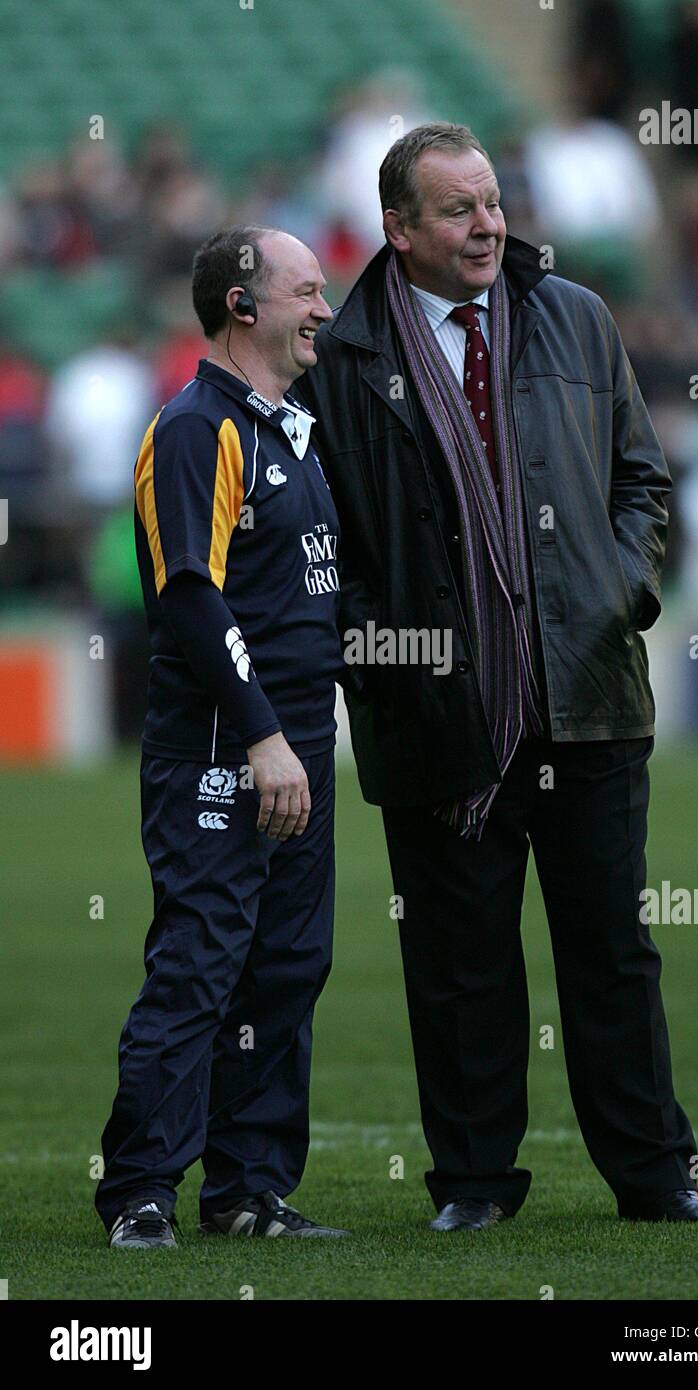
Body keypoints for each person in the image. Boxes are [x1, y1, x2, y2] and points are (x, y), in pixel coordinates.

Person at [293, 124, 698, 1231]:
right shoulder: (345, 358)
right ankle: (474, 1186)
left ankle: (653, 1176)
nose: (487, 225)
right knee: (457, 965)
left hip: (584, 696)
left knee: (612, 951)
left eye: (491, 202)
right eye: (458, 211)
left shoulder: (575, 314)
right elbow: (324, 540)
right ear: (399, 229)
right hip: (435, 711)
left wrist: (616, 591)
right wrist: (382, 665)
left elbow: (643, 479)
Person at [95, 225, 349, 1246]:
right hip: (222, 749)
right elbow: (190, 598)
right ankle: (140, 1190)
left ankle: (249, 1188)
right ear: (242, 306)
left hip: (296, 752)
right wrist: (261, 736)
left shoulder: (293, 427)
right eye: (304, 290)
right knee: (201, 959)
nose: (323, 309)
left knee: (287, 963)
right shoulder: (198, 427)